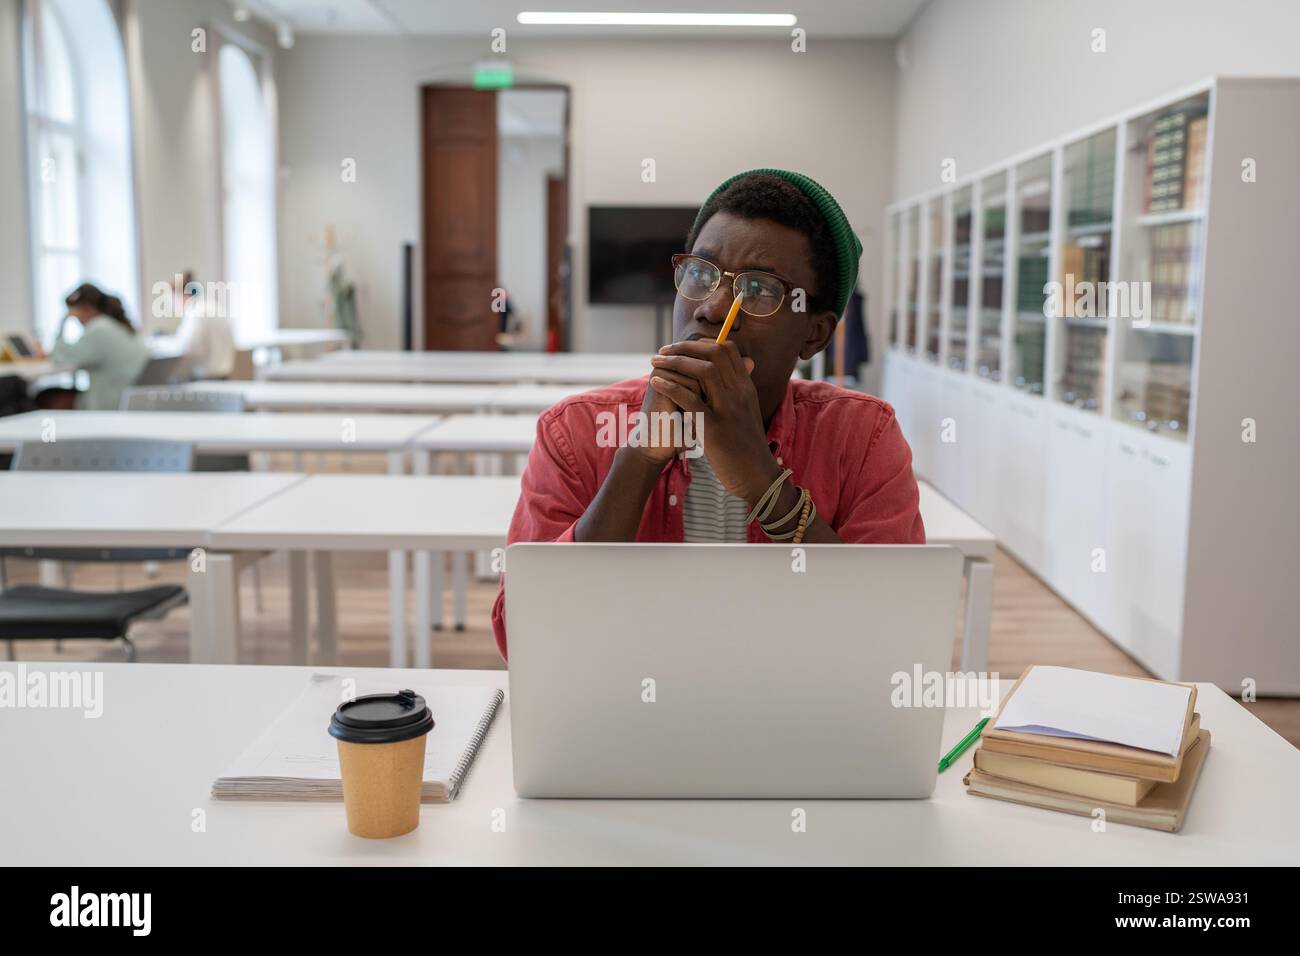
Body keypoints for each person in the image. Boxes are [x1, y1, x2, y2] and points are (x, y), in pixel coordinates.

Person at [491, 169, 925, 659]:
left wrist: (763, 484)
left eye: (759, 289)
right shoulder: (575, 430)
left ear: (815, 334)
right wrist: (639, 458)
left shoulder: (864, 437)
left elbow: (890, 640)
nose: (714, 308)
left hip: (799, 712)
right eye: (701, 274)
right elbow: (523, 639)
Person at [40, 283, 149, 410]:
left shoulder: (99, 328)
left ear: (85, 307)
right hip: (129, 399)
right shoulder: (121, 326)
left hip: (109, 404)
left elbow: (60, 360)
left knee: (45, 397)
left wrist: (63, 322)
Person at [172, 272, 236, 379]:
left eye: (174, 299)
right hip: (224, 374)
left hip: (206, 377)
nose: (174, 305)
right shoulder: (214, 306)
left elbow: (188, 347)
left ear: (182, 294)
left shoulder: (194, 313)